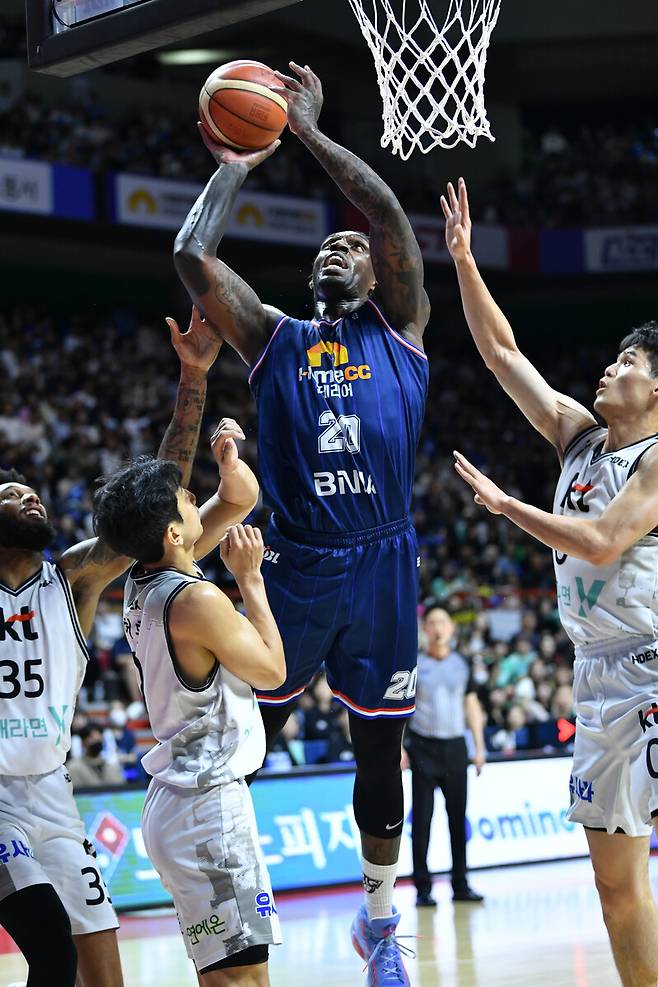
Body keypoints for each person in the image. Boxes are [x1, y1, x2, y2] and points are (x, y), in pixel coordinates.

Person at [174, 60, 430, 987]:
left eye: (352, 248)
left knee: (380, 747)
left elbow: (388, 215)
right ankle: (233, 904)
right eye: (326, 245)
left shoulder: (401, 327)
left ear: (378, 272)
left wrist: (310, 133)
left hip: (383, 560)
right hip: (293, 563)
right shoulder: (274, 337)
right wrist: (237, 162)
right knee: (244, 740)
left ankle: (381, 924)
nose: (340, 249)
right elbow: (192, 259)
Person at [443, 176, 658, 987]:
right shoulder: (578, 438)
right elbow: (504, 354)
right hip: (594, 676)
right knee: (615, 887)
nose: (609, 368)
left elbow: (603, 541)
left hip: (653, 665)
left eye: (628, 362)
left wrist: (509, 506)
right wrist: (465, 262)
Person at [0, 306, 221, 987]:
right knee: (50, 945)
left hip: (53, 792)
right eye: (10, 494)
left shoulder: (69, 580)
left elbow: (154, 501)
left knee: (102, 968)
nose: (29, 497)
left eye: (33, 493)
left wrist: (192, 377)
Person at [93, 420, 285, 986]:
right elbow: (272, 671)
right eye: (184, 497)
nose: (193, 495)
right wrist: (250, 581)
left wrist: (229, 461)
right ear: (175, 534)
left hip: (179, 803)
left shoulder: (143, 578)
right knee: (243, 979)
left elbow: (240, 499)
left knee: (226, 976)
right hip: (208, 809)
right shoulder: (196, 600)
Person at [403, 605, 485, 907]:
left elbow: (471, 704)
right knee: (422, 821)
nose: (438, 628)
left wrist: (479, 746)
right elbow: (401, 706)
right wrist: (399, 747)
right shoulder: (413, 663)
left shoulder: (462, 663)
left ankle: (460, 884)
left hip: (455, 748)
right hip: (423, 747)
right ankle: (422, 889)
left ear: (451, 628)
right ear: (425, 629)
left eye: (443, 622)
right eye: (432, 622)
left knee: (457, 820)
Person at [67, 721, 125, 788]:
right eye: (92, 739)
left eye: (99, 739)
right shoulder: (74, 767)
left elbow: (121, 790)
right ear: (83, 742)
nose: (96, 741)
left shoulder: (112, 766)